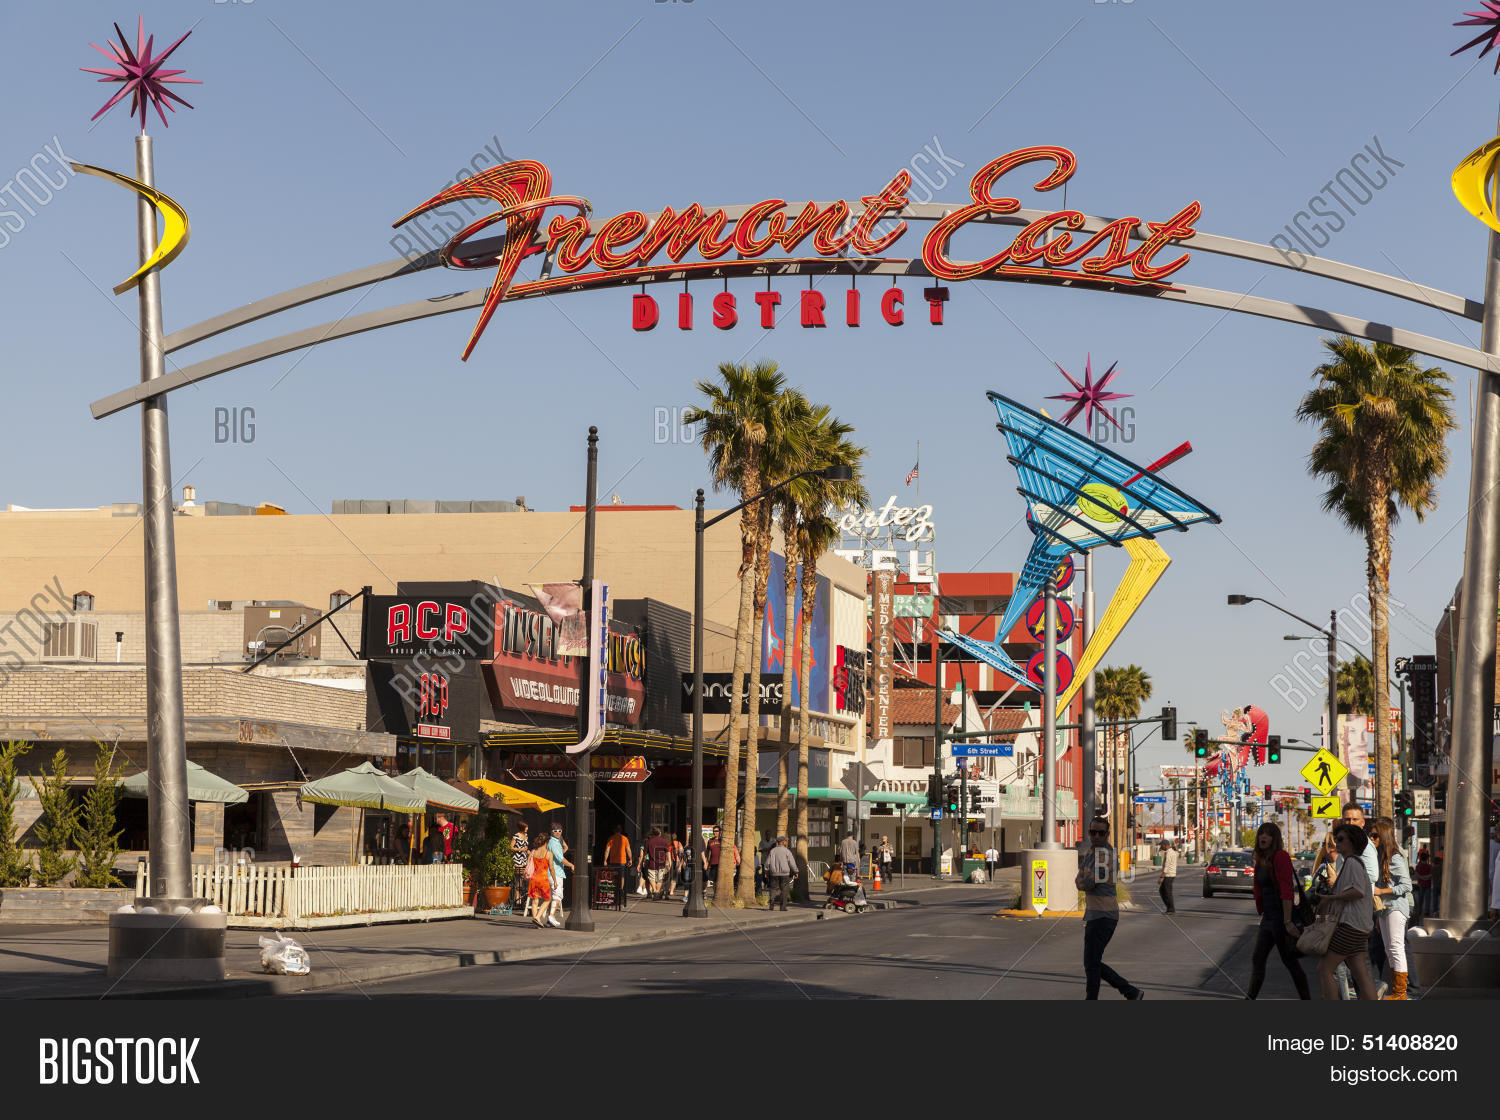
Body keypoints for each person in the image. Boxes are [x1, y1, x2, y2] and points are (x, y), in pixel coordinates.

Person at [1075, 817, 1144, 1000]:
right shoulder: (1092, 852)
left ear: (1107, 834)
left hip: (1104, 916)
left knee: (1091, 962)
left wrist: (1085, 878)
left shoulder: (1106, 855)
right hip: (1094, 914)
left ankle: (1125, 992)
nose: (1096, 836)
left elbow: (1088, 883)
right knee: (1092, 962)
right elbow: (1078, 881)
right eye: (1093, 832)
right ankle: (1130, 992)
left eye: (1101, 833)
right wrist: (1085, 878)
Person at [1246, 822, 1310, 1000]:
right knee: (1258, 959)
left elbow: (1287, 891)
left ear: (1274, 839)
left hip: (1280, 919)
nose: (1263, 837)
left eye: (1268, 834)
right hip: (1268, 919)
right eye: (1261, 834)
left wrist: (1287, 921)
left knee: (1290, 962)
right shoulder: (1261, 859)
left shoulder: (1280, 856)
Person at [1315, 823, 1379, 1000]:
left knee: (1324, 969)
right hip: (1359, 927)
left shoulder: (1352, 862)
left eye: (1341, 839)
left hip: (1350, 926)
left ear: (1353, 841)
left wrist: (1331, 898)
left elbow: (1358, 891)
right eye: (1336, 839)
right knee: (1360, 974)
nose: (1336, 843)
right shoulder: (1352, 863)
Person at [1341, 802, 1386, 992]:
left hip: (1359, 908)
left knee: (1356, 960)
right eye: (1347, 819)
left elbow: (1372, 877)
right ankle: (1370, 991)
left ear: (1362, 822)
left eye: (1354, 819)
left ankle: (1373, 989)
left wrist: (1347, 887)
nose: (1350, 822)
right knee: (1355, 961)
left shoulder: (1365, 846)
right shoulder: (1349, 844)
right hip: (1348, 908)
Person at [1371, 817, 1412, 1000]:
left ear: (1384, 835)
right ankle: (1397, 990)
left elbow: (1406, 885)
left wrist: (1382, 890)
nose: (1372, 839)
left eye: (1375, 835)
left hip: (1396, 907)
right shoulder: (1381, 857)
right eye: (1370, 835)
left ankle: (1400, 992)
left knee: (1396, 948)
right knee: (1389, 949)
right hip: (1384, 908)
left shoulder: (1395, 856)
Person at [546, 821, 574, 928]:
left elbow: (560, 853)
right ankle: (551, 916)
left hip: (553, 872)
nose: (558, 832)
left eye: (559, 831)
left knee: (552, 897)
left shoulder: (555, 842)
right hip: (555, 873)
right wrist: (571, 865)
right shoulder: (553, 843)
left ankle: (549, 918)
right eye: (555, 831)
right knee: (557, 895)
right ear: (551, 832)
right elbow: (560, 858)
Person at [764, 835, 798, 911]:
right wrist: (795, 871)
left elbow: (767, 863)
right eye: (785, 841)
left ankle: (771, 905)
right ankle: (782, 907)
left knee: (773, 889)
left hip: (774, 873)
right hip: (784, 874)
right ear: (783, 842)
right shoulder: (787, 851)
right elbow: (792, 863)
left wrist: (766, 871)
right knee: (784, 890)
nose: (786, 842)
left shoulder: (772, 851)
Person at [526, 834, 553, 928]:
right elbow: (552, 869)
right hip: (543, 879)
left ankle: (535, 924)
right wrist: (555, 881)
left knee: (535, 901)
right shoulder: (548, 853)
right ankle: (537, 917)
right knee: (547, 900)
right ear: (546, 842)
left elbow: (528, 863)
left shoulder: (533, 851)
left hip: (533, 879)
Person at [643, 827, 672, 900]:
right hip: (661, 863)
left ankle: (655, 891)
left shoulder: (648, 841)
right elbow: (668, 852)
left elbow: (645, 853)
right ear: (660, 833)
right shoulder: (664, 841)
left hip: (652, 863)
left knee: (651, 878)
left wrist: (643, 861)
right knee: (660, 879)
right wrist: (669, 861)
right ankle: (657, 891)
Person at [510, 820, 532, 918]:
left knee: (522, 878)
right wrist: (520, 849)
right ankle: (517, 898)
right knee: (517, 877)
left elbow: (526, 847)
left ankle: (519, 898)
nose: (527, 829)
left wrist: (529, 852)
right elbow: (511, 847)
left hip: (524, 859)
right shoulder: (516, 836)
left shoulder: (526, 836)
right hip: (517, 859)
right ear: (522, 828)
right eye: (526, 827)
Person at [1158, 840, 1178, 915]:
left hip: (1169, 875)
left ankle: (1171, 909)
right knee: (1163, 891)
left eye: (1161, 845)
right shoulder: (1170, 852)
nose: (1161, 847)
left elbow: (1167, 866)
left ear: (1165, 845)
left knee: (1167, 892)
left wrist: (1161, 877)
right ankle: (1169, 908)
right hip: (1169, 875)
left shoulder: (1169, 853)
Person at [1413, 848, 1433, 920]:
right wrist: (1426, 878)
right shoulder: (1429, 866)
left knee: (1420, 899)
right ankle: (1427, 911)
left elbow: (1416, 874)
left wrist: (1421, 877)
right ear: (1427, 858)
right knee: (1427, 899)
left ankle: (1419, 911)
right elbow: (1431, 874)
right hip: (1428, 884)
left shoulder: (1418, 866)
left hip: (1420, 884)